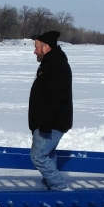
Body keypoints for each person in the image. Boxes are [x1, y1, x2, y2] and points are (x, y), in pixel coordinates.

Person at [28, 30, 73, 191]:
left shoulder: (57, 65)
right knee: (48, 155)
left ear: (46, 48)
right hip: (47, 121)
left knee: (38, 156)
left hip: (51, 123)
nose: (34, 51)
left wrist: (46, 122)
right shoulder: (49, 64)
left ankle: (60, 188)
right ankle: (50, 187)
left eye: (36, 47)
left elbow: (58, 97)